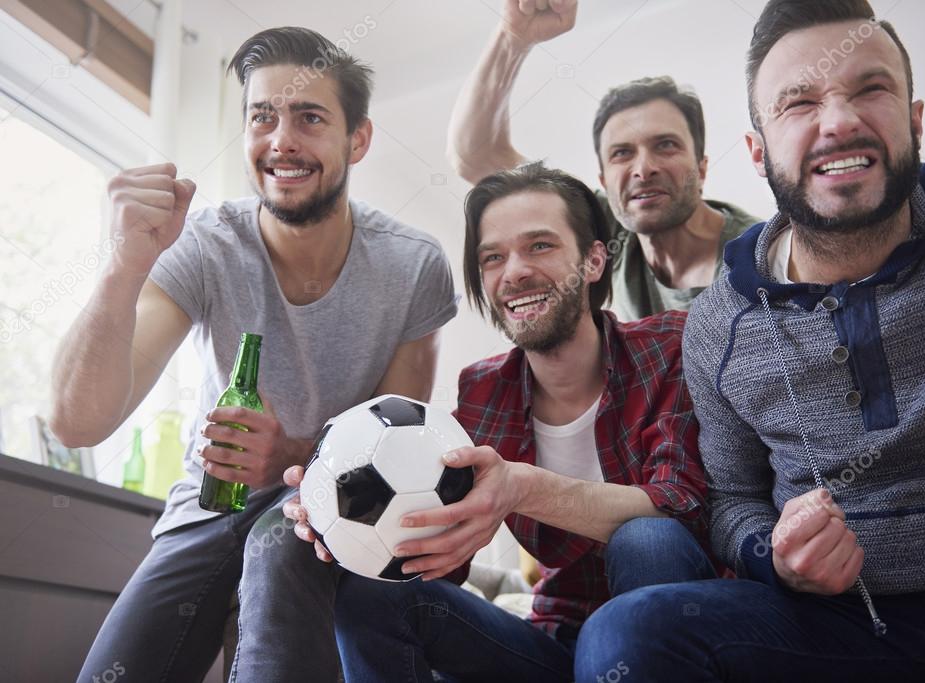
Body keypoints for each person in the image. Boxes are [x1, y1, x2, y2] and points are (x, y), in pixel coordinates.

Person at [574, 1, 925, 680]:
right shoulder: (717, 322)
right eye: (798, 102)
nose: (837, 121)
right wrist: (772, 555)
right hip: (839, 626)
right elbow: (730, 501)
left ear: (914, 118)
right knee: (627, 634)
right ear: (756, 153)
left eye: (870, 89)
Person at [51, 27, 458, 683]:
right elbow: (76, 422)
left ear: (357, 138)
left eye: (308, 117)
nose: (280, 141)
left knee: (282, 551)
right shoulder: (206, 244)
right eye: (261, 117)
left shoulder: (413, 267)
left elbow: (400, 452)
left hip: (331, 518)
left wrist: (295, 455)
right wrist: (124, 267)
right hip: (209, 507)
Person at [285, 163, 718, 682]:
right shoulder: (485, 391)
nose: (513, 272)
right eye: (493, 257)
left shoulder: (670, 348)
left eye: (540, 246)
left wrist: (522, 488)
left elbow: (684, 506)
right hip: (556, 646)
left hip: (678, 642)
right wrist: (341, 518)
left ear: (594, 260)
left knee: (647, 540)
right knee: (371, 591)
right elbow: (447, 556)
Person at [447, 0, 761, 320]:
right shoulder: (610, 227)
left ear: (702, 168)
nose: (643, 169)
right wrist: (513, 37)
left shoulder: (760, 260)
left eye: (665, 145)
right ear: (603, 182)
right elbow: (475, 156)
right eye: (622, 153)